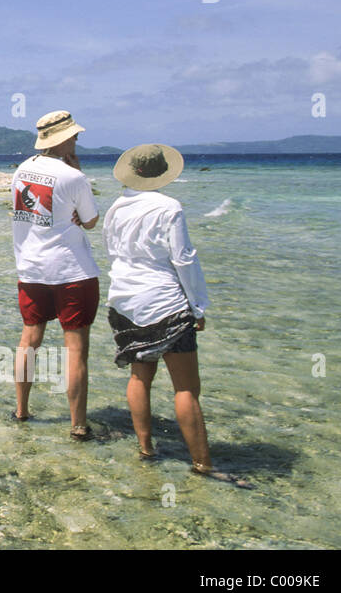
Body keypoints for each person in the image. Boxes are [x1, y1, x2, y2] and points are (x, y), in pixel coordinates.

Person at [104, 143, 251, 486]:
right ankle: (203, 465)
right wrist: (198, 305)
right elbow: (183, 259)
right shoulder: (169, 207)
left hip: (124, 301)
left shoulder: (115, 207)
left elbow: (113, 252)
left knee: (140, 378)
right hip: (165, 302)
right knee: (186, 389)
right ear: (161, 173)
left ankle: (146, 450)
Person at [10, 110, 101, 439]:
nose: (77, 140)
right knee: (75, 349)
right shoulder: (73, 176)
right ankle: (78, 425)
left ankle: (21, 410)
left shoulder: (22, 170)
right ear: (63, 139)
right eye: (74, 136)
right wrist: (77, 174)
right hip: (71, 271)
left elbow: (31, 213)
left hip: (31, 268)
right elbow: (90, 221)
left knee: (28, 341)